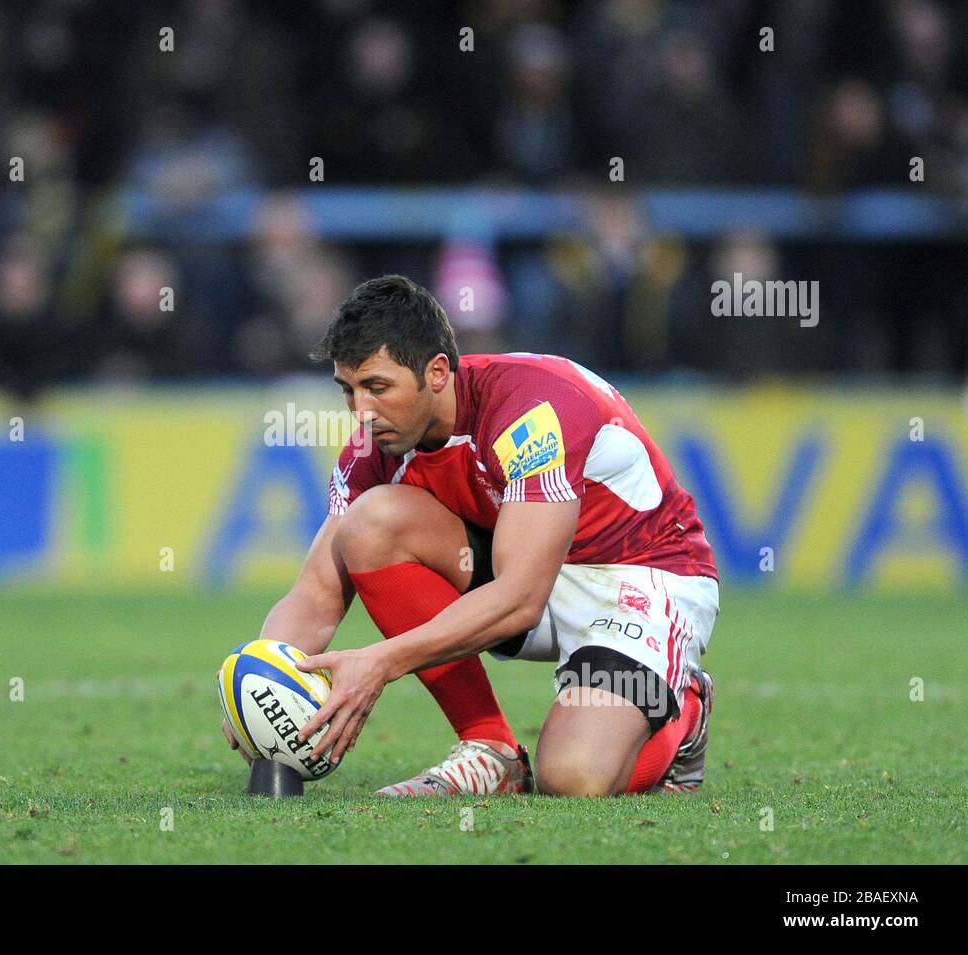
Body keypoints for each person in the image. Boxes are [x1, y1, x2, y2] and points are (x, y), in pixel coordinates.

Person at [222, 274, 719, 797]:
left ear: (437, 372)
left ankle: (686, 709)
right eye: (348, 390)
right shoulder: (374, 449)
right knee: (369, 524)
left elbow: (520, 601)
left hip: (641, 580)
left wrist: (381, 662)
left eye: (377, 387)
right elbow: (316, 595)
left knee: (573, 779)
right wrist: (259, 678)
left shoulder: (532, 411)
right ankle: (491, 748)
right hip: (529, 573)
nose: (361, 413)